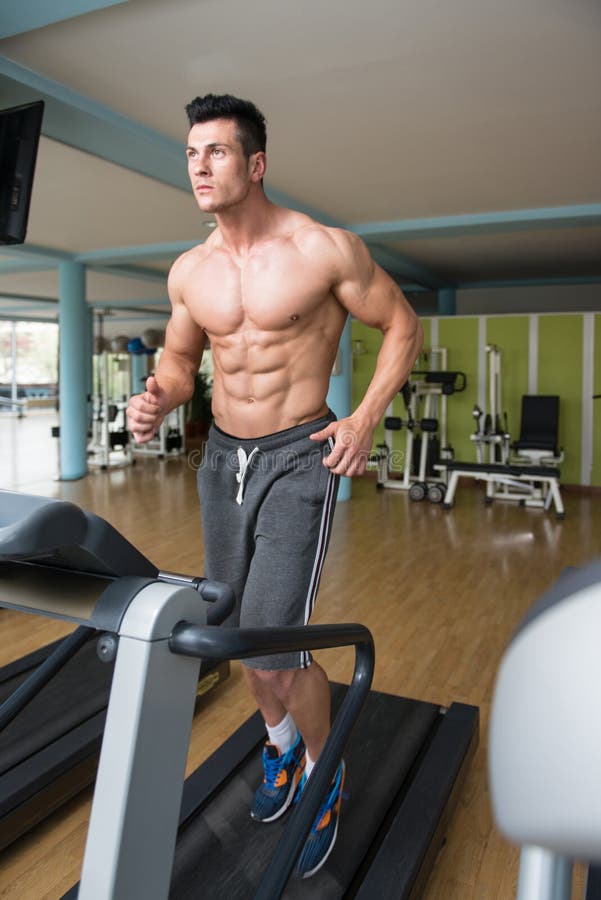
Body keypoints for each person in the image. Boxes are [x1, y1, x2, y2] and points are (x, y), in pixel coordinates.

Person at [126, 93, 422, 879]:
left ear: (254, 164)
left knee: (275, 648)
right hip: (222, 458)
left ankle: (324, 774)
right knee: (235, 627)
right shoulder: (190, 270)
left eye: (216, 152)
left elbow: (401, 325)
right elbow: (182, 362)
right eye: (192, 153)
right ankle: (280, 748)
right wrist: (158, 394)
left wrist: (361, 419)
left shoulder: (322, 249)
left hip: (298, 456)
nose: (199, 165)